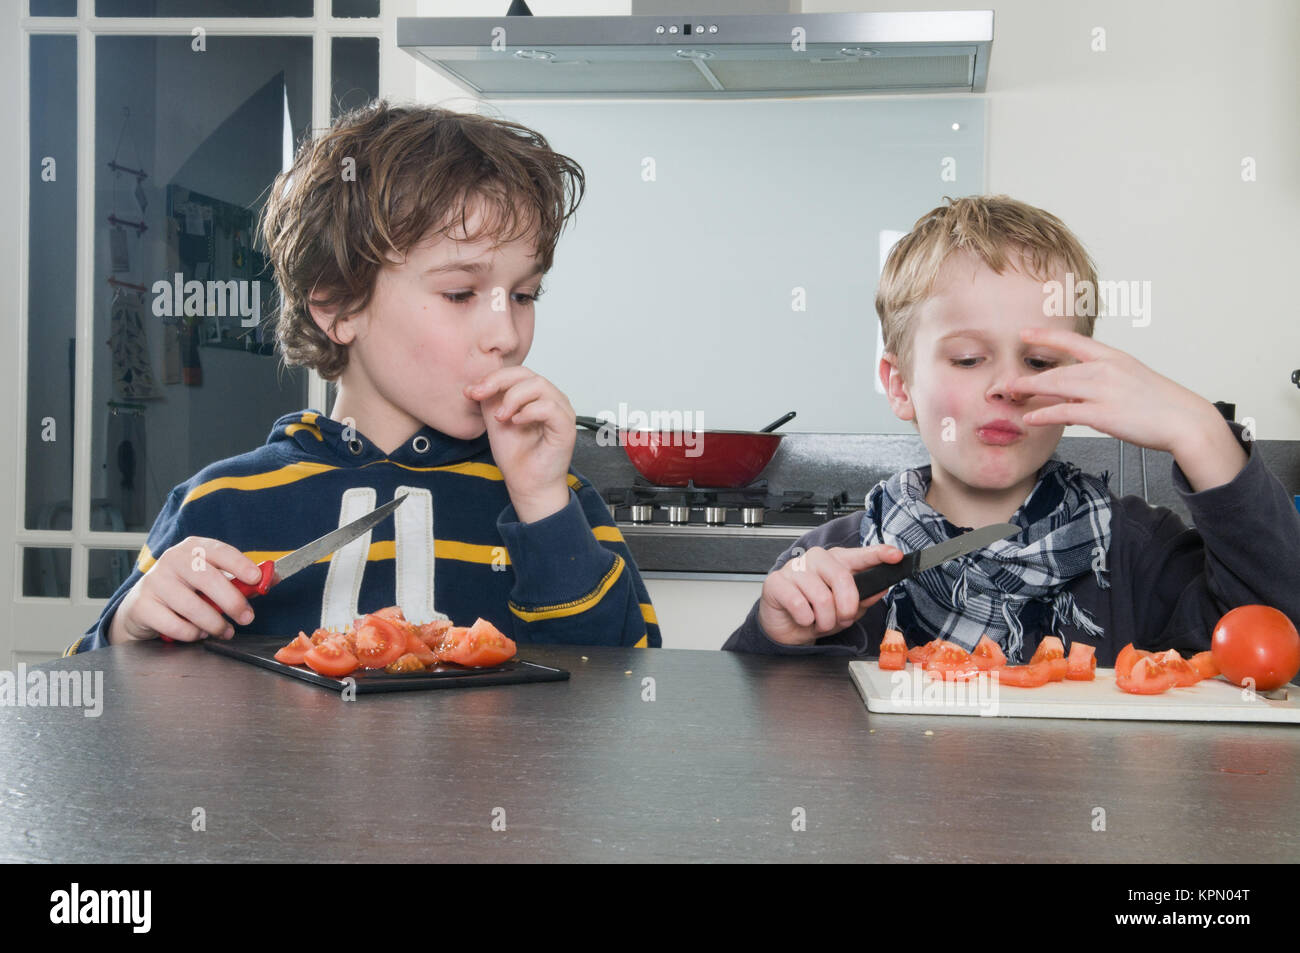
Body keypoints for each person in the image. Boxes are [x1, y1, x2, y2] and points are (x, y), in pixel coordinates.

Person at [68, 101, 661, 654]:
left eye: (525, 294)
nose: (507, 336)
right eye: (460, 293)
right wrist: (131, 626)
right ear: (338, 308)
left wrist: (541, 506)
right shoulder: (218, 506)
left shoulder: (562, 502)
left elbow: (620, 697)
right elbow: (105, 721)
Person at [724, 195, 1300, 664]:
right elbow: (756, 742)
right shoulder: (828, 564)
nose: (1007, 386)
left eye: (1040, 363)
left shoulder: (1141, 554)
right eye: (970, 359)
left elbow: (1278, 627)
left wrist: (1200, 431)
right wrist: (776, 635)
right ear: (900, 386)